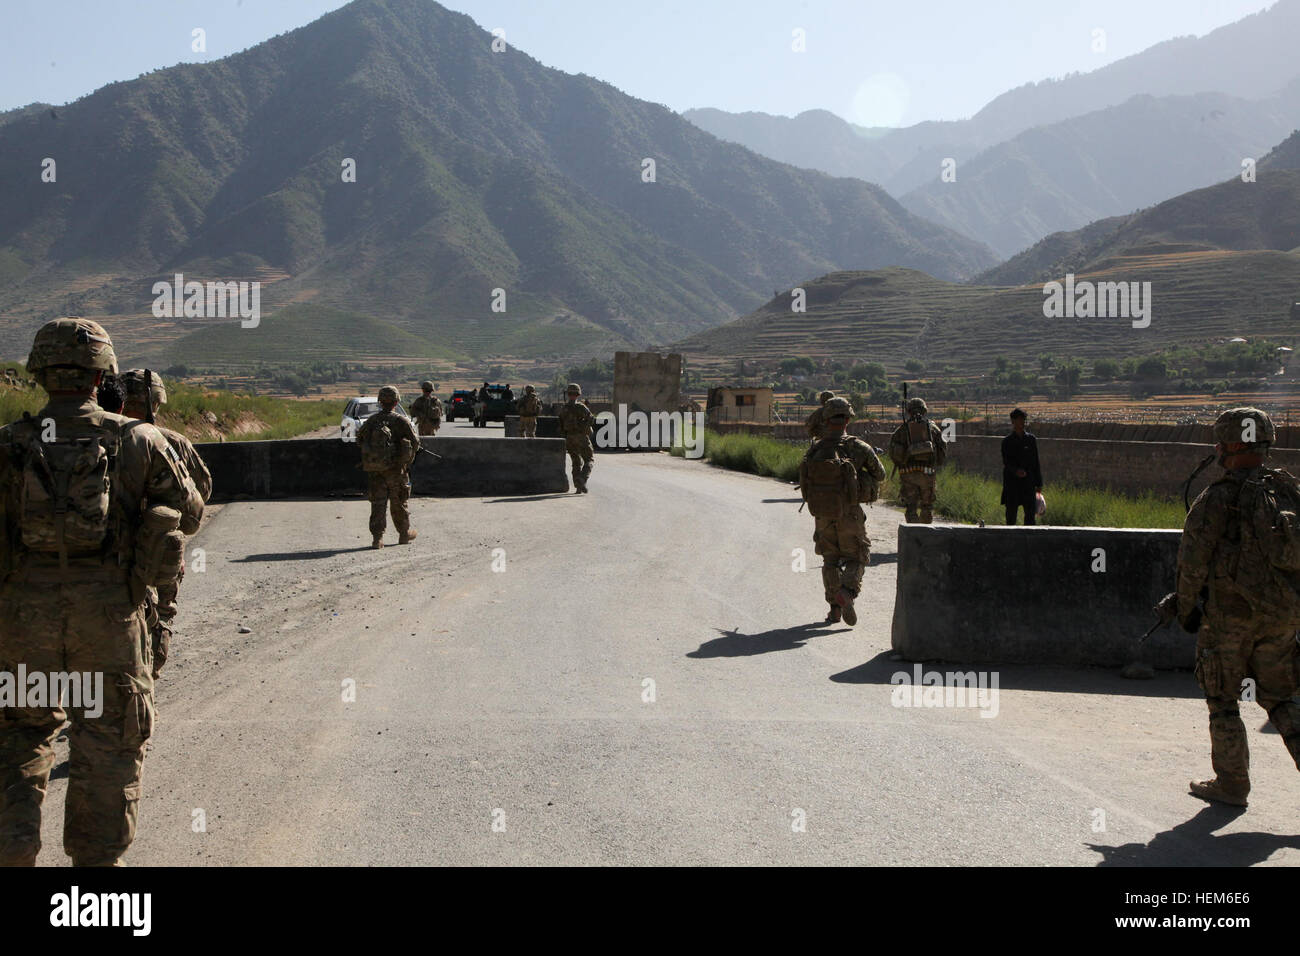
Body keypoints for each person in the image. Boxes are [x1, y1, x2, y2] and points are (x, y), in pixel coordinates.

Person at [0, 317, 203, 867]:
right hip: (110, 620)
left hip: (22, 621)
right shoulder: (138, 438)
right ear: (102, 373)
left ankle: (14, 847)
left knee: (20, 737)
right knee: (107, 744)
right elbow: (190, 513)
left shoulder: (11, 443)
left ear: (39, 371)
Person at [1165, 407, 1300, 807]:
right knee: (1281, 698)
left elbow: (1191, 567)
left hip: (1230, 621)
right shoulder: (1289, 493)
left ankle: (1231, 784)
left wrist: (1186, 610)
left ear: (1233, 445)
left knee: (1223, 699)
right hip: (1282, 618)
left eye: (1221, 442)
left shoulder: (1216, 499)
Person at [119, 370, 214, 680]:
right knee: (160, 614)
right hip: (158, 550)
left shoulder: (97, 437)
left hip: (109, 553)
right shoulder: (170, 441)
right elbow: (199, 497)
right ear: (154, 402)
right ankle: (146, 682)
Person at [799, 397, 885, 626]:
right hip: (849, 513)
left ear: (826, 419)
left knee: (830, 560)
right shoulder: (858, 446)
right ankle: (847, 592)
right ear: (848, 419)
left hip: (822, 515)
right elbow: (881, 474)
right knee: (859, 555)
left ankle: (834, 610)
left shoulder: (816, 449)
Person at [358, 386, 420, 548]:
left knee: (378, 503)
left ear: (380, 401)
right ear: (396, 401)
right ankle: (404, 535)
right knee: (399, 502)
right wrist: (407, 461)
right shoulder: (401, 421)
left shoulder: (372, 421)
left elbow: (359, 440)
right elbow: (415, 442)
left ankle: (377, 539)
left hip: (375, 469)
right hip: (396, 470)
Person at [889, 397, 946, 523]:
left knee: (911, 506)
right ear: (924, 411)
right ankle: (925, 534)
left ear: (908, 412)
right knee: (927, 506)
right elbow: (941, 453)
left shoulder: (901, 430)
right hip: (927, 473)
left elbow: (893, 453)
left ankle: (913, 534)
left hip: (907, 473)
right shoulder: (933, 429)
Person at [1001, 408, 1042, 525]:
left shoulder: (1031, 440)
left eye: (1023, 420)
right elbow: (1006, 462)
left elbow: (1035, 462)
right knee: (1011, 515)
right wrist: (1016, 471)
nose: (1022, 423)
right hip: (1012, 483)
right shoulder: (1007, 442)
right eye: (1019, 420)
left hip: (1028, 483)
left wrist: (1039, 483)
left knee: (1030, 516)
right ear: (1013, 421)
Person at [556, 383, 595, 493]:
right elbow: (591, 419)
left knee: (576, 462)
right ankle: (582, 479)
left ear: (568, 394)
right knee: (589, 459)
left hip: (569, 438)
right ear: (578, 394)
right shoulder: (581, 407)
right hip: (581, 437)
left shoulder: (564, 408)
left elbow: (560, 425)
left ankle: (578, 486)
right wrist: (584, 428)